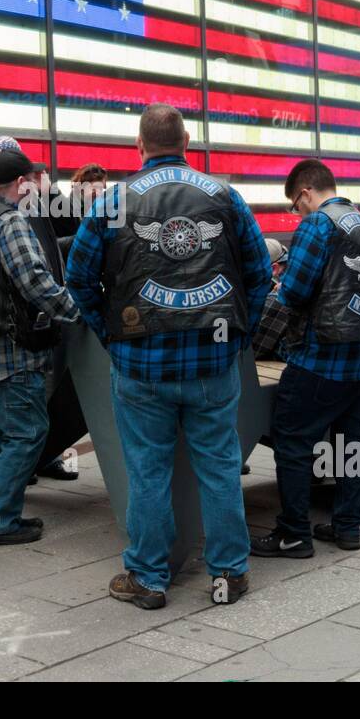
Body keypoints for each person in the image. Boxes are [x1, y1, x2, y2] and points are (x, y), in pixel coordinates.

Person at [66, 104, 272, 610]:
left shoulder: (113, 201)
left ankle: (149, 578)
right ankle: (228, 573)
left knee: (148, 472)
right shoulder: (225, 196)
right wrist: (237, 336)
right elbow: (261, 273)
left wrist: (111, 333)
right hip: (212, 361)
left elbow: (77, 279)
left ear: (139, 146)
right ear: (187, 144)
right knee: (220, 469)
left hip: (140, 366)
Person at [255, 159, 360, 560]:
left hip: (322, 356)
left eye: (294, 206)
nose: (296, 213)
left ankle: (294, 534)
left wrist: (276, 290)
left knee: (293, 439)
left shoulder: (318, 224)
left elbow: (295, 292)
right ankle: (347, 526)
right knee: (354, 438)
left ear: (304, 193)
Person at [0, 147, 81, 544]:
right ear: (22, 183)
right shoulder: (11, 221)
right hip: (8, 349)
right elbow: (34, 281)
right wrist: (78, 311)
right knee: (28, 433)